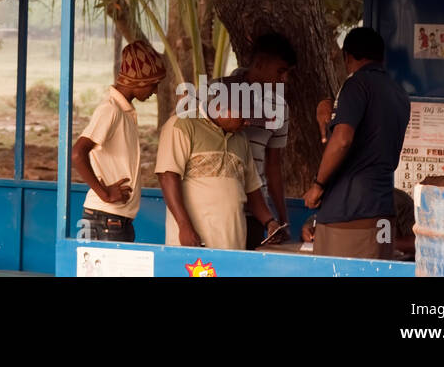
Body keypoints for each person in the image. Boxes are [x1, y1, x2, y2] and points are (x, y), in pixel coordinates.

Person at [303, 27, 410, 260]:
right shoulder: (398, 93)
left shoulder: (356, 85)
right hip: (382, 212)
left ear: (348, 57)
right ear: (381, 57)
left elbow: (342, 140)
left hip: (350, 212)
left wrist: (318, 185)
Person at [156, 85, 281, 250]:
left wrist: (269, 222)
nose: (248, 123)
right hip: (193, 243)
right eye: (244, 117)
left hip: (233, 244)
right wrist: (184, 226)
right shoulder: (182, 125)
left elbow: (252, 188)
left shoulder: (241, 138)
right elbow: (167, 176)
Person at [71, 39, 165, 242]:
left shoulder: (123, 111)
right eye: (153, 84)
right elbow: (77, 153)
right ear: (137, 82)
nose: (155, 91)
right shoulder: (111, 109)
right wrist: (104, 194)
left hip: (112, 220)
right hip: (105, 219)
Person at [221, 32, 295, 248]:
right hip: (217, 207)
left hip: (256, 212)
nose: (284, 79)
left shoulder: (280, 107)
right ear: (260, 63)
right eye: (280, 71)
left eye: (287, 73)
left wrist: (282, 218)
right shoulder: (217, 92)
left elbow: (273, 165)